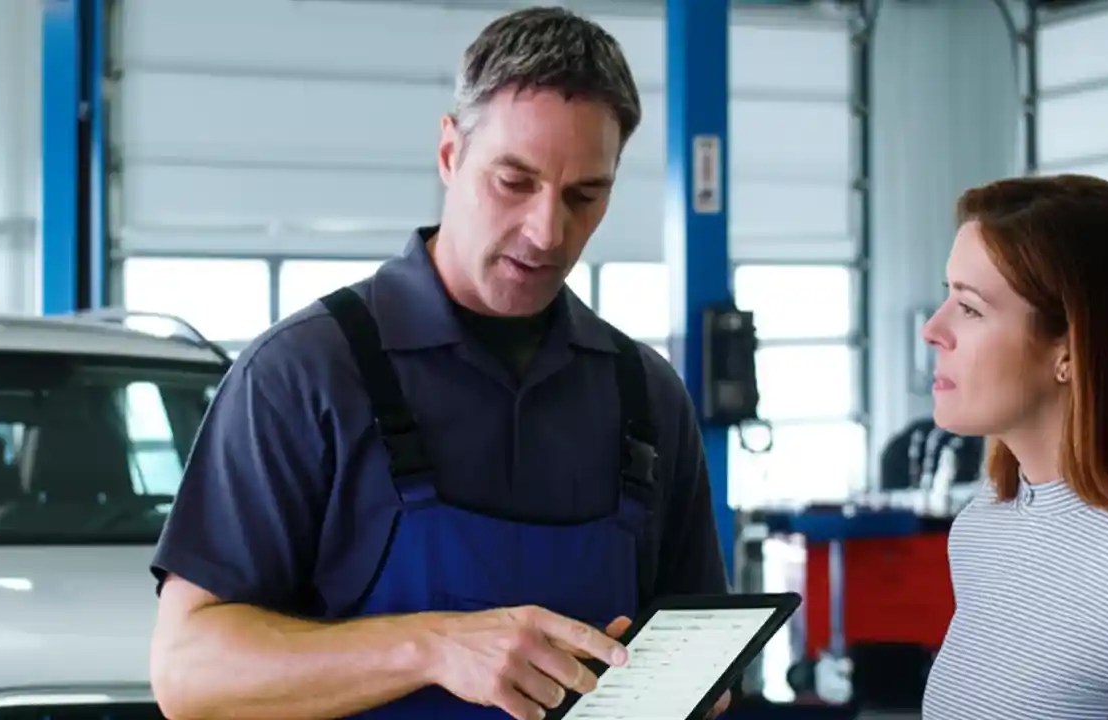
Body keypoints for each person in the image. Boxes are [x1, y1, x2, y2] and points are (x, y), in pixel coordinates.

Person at [147, 7, 731, 720]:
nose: (547, 232)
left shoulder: (646, 395)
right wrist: (431, 648)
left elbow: (706, 668)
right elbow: (187, 672)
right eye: (513, 181)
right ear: (451, 152)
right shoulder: (303, 374)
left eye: (585, 195)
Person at [919, 174, 1108, 719]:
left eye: (970, 308)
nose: (933, 329)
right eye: (947, 295)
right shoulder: (983, 525)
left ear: (1069, 347)